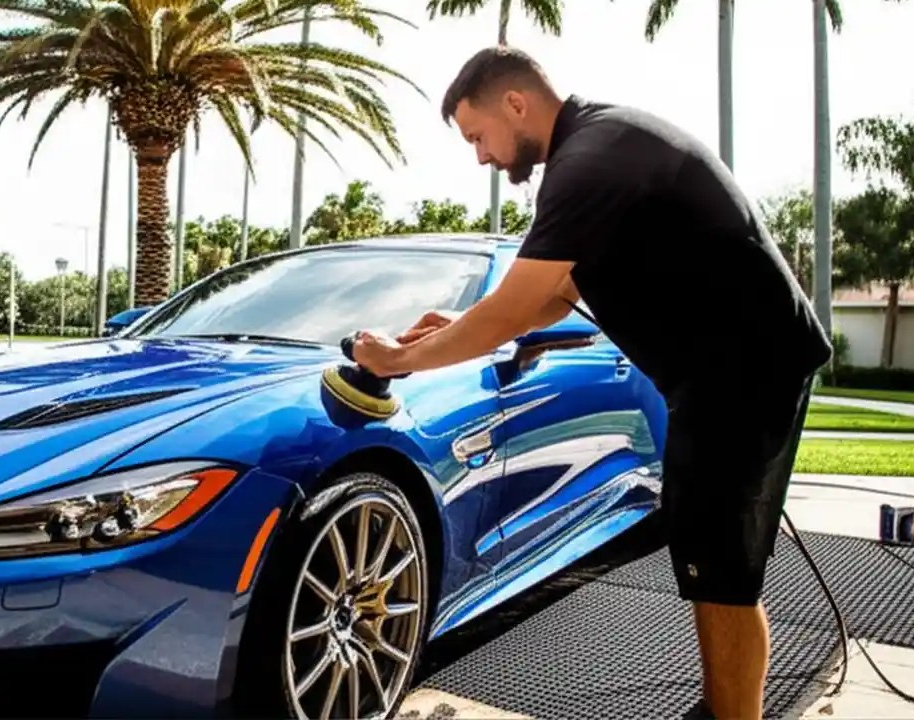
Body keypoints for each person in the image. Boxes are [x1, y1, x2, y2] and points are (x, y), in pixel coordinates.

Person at [350, 46, 832, 720]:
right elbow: (554, 293)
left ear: (516, 104)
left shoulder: (590, 159)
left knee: (720, 573)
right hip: (729, 372)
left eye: (477, 136)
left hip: (739, 375)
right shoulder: (595, 148)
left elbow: (517, 306)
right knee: (711, 564)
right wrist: (458, 324)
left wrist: (398, 362)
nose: (481, 157)